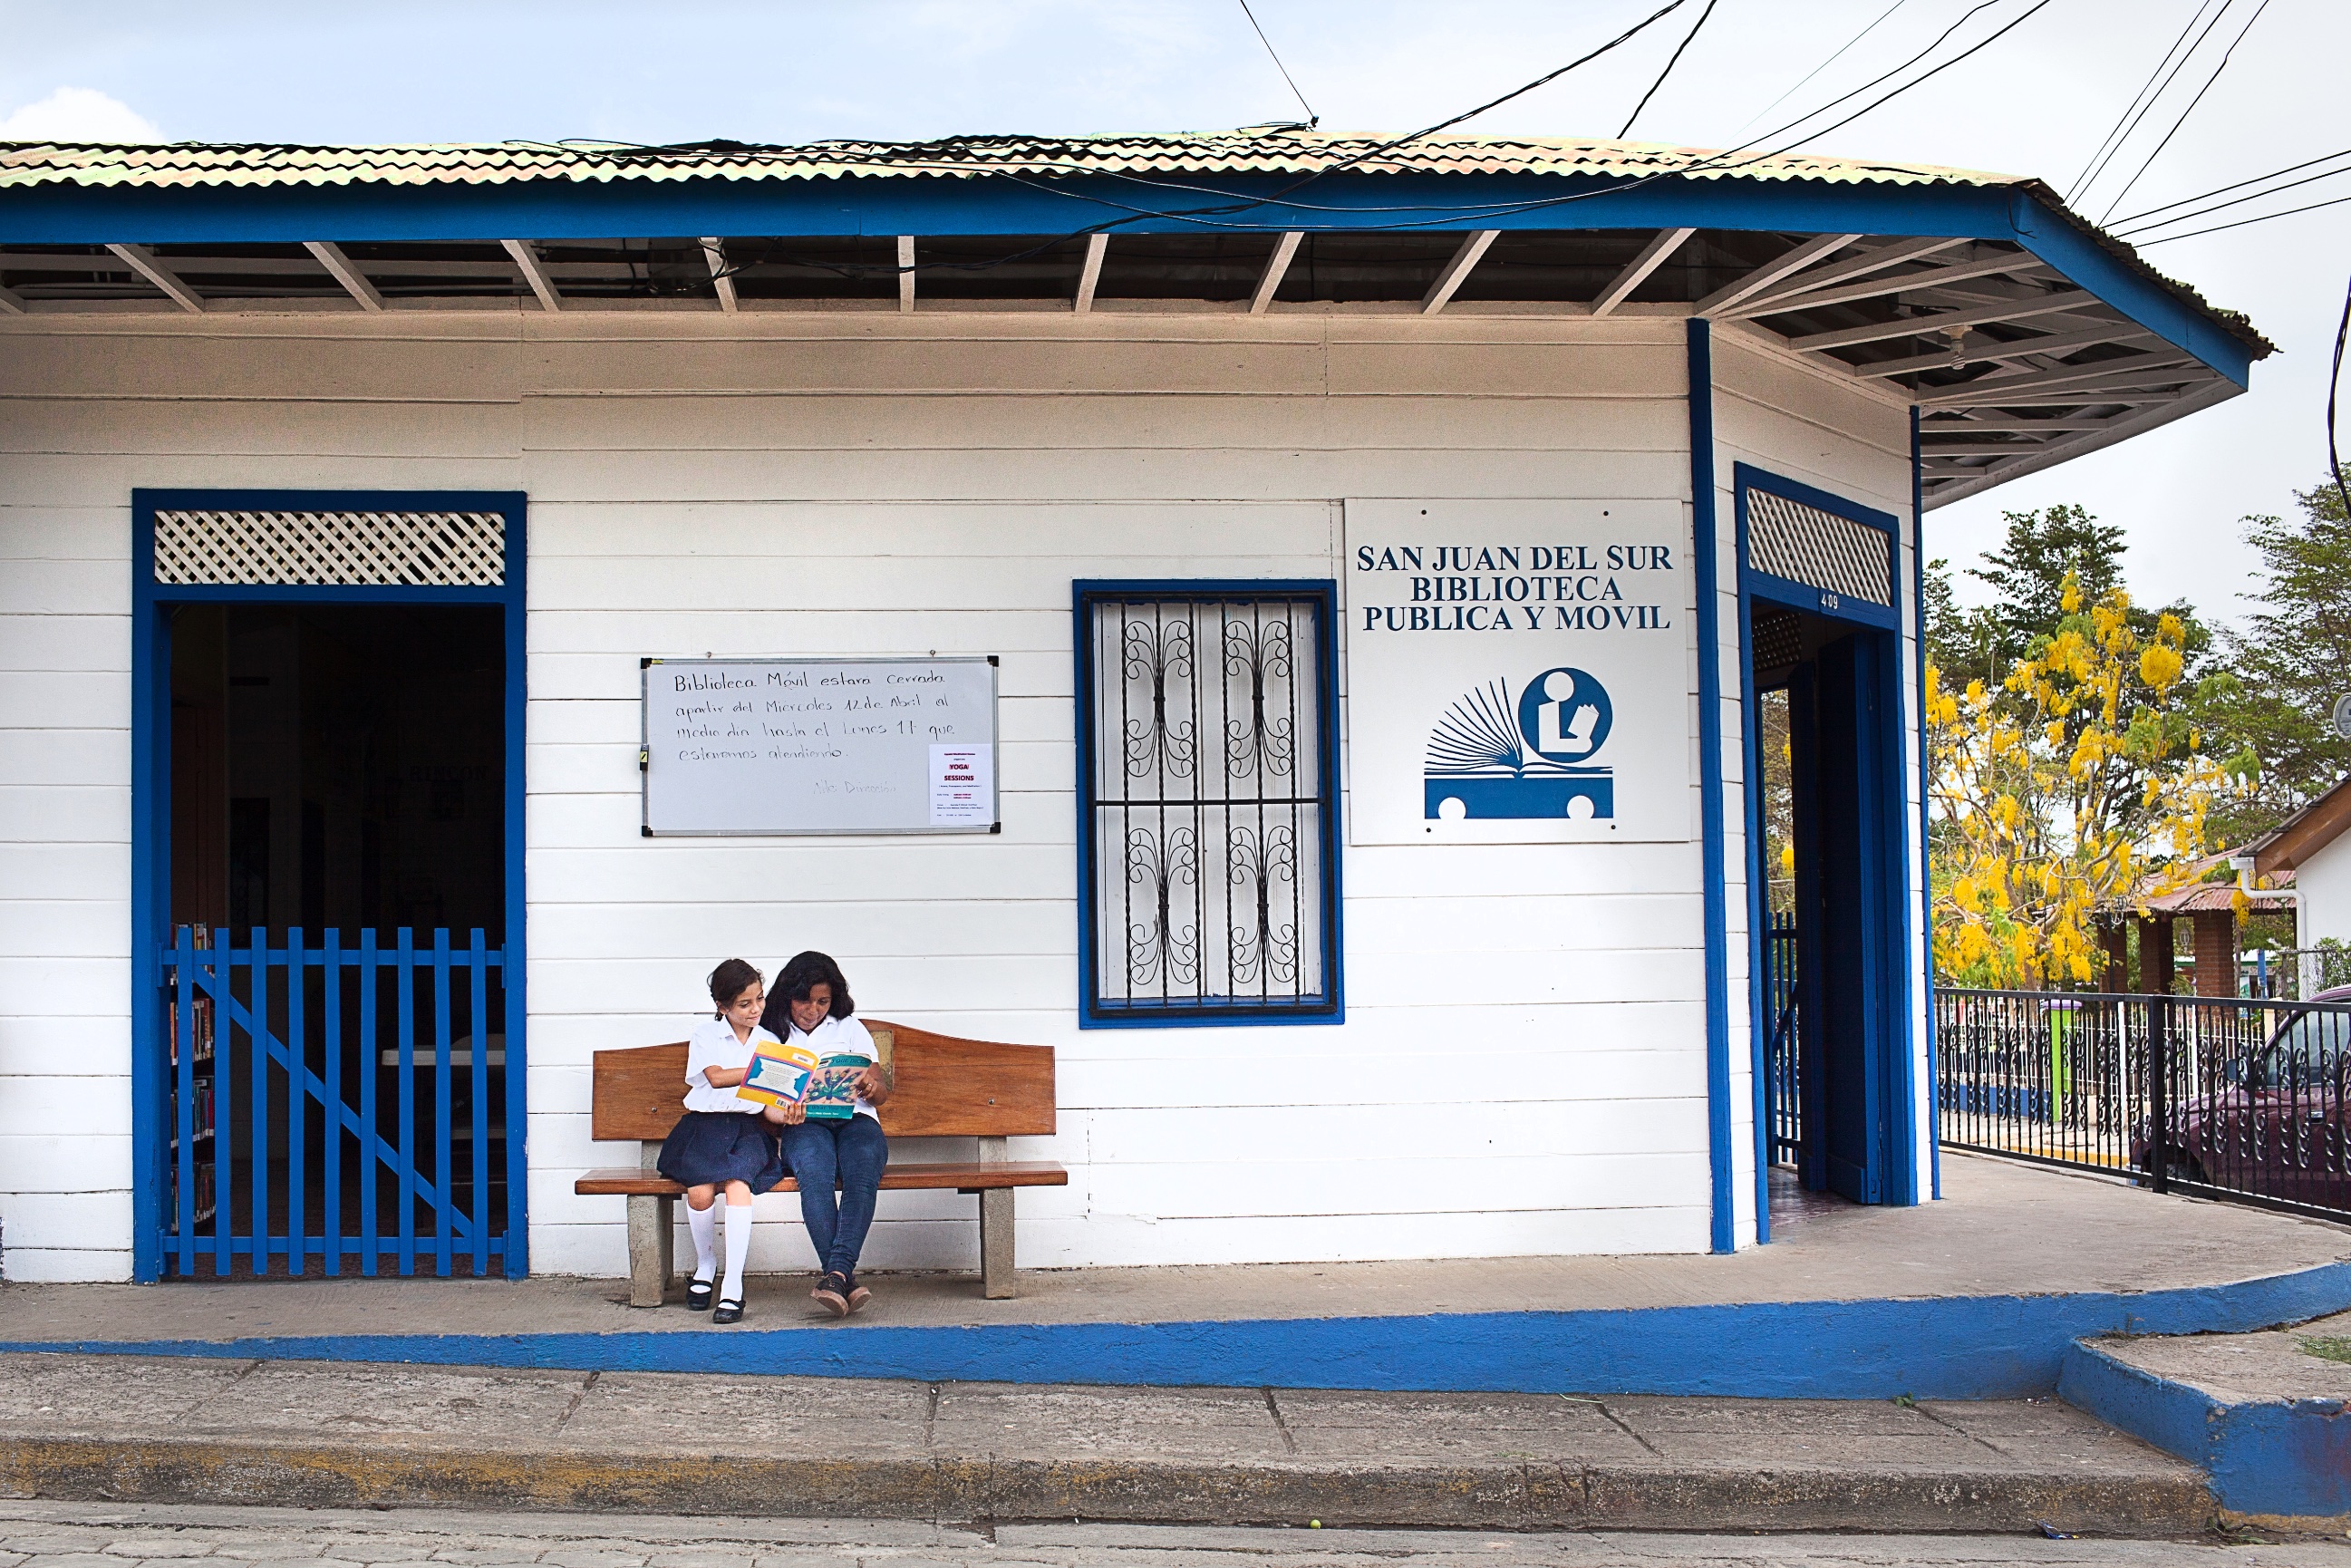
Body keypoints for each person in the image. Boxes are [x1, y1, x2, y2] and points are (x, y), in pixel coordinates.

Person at [759, 950, 892, 1316]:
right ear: (788, 994)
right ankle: (843, 1276)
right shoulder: (770, 1032)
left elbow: (880, 1090)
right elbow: (764, 1105)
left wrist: (870, 1088)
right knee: (815, 1173)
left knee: (863, 1170)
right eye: (804, 1000)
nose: (813, 1010)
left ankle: (834, 1277)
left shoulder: (848, 1027)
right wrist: (784, 1111)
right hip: (803, 1123)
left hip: (856, 1119)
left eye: (823, 1001)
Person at [655, 958, 787, 1324]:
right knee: (699, 1193)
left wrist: (788, 1111)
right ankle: (706, 1264)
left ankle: (733, 1285)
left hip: (747, 1131)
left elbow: (770, 1108)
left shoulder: (769, 1041)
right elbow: (715, 1078)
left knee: (737, 1187)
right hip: (704, 1128)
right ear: (723, 1006)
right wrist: (763, 1070)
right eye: (744, 1004)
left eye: (759, 999)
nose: (755, 1009)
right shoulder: (706, 1036)